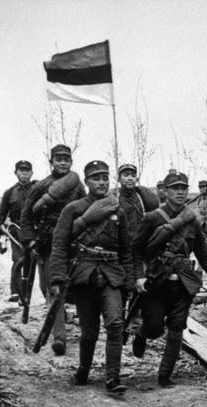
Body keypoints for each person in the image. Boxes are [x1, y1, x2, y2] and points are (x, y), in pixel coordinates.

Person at [132, 171, 207, 387]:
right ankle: (141, 334)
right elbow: (136, 250)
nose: (179, 192)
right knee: (155, 327)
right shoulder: (152, 218)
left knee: (177, 327)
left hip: (183, 282)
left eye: (183, 188)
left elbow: (204, 256)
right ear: (165, 191)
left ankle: (164, 375)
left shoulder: (192, 221)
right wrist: (139, 276)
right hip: (156, 282)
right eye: (174, 188)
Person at [49, 160, 133, 393]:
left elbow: (126, 250)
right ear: (86, 182)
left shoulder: (118, 211)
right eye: (96, 178)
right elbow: (59, 245)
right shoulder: (73, 209)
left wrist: (130, 279)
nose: (102, 182)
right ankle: (84, 369)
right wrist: (56, 278)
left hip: (112, 275)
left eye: (105, 177)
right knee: (90, 330)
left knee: (116, 324)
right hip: (84, 274)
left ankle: (113, 378)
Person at [20, 144, 86, 356]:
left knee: (78, 286)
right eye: (58, 159)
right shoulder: (41, 187)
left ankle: (79, 329)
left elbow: (86, 208)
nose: (62, 163)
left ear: (71, 162)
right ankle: (59, 337)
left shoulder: (77, 186)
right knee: (50, 288)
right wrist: (30, 242)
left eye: (66, 159)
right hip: (47, 245)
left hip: (73, 243)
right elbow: (27, 216)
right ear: (51, 162)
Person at [0, 160, 37, 302]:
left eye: (27, 170)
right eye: (21, 170)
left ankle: (28, 294)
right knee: (19, 260)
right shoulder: (10, 193)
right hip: (16, 231)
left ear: (31, 173)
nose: (24, 173)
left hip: (34, 230)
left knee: (34, 262)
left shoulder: (38, 189)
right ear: (15, 173)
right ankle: (16, 292)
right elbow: (2, 214)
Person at [117, 163, 159, 242]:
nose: (130, 178)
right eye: (126, 175)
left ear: (137, 179)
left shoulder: (144, 196)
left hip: (143, 243)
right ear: (119, 179)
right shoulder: (115, 200)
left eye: (133, 175)